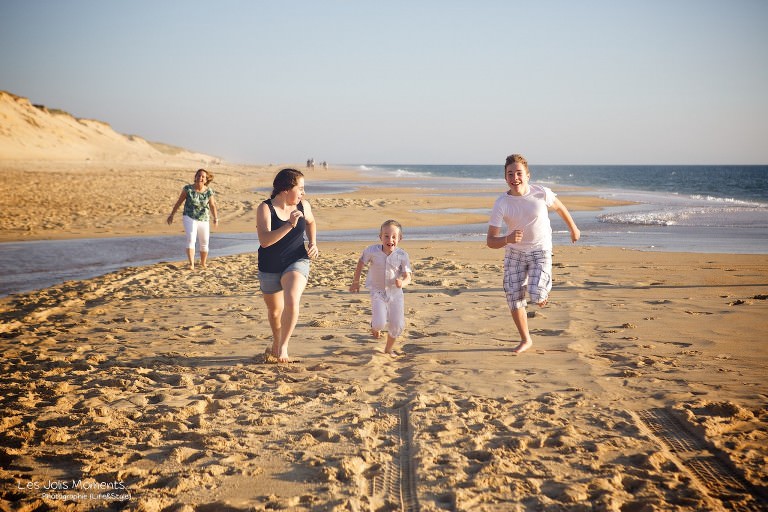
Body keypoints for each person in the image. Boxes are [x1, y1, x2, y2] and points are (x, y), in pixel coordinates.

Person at [486, 154, 580, 354]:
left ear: (527, 175)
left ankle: (540, 289)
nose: (515, 177)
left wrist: (573, 228)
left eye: (519, 173)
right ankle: (525, 339)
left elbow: (560, 207)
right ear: (505, 178)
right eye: (510, 174)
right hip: (514, 254)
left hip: (540, 249)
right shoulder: (501, 203)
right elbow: (490, 241)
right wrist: (507, 239)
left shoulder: (541, 193)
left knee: (537, 295)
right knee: (513, 295)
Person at [257, 168, 318, 363]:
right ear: (285, 189)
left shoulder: (303, 205)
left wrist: (313, 242)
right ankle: (277, 340)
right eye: (300, 188)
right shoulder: (265, 208)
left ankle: (283, 347)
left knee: (292, 299)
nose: (303, 193)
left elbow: (311, 222)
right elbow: (264, 241)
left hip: (297, 259)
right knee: (275, 312)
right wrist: (289, 225)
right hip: (270, 265)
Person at [350, 220, 412, 356]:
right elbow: (361, 262)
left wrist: (402, 282)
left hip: (396, 294)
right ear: (380, 237)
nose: (390, 239)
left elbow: (408, 276)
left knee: (397, 324)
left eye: (394, 236)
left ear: (400, 239)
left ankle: (388, 348)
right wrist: (356, 281)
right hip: (378, 292)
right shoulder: (372, 251)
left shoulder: (402, 255)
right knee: (379, 323)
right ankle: (375, 326)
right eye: (386, 236)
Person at [167, 168, 219, 270]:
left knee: (204, 241)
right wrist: (172, 214)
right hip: (189, 216)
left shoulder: (209, 191)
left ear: (206, 180)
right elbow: (179, 202)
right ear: (195, 177)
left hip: (203, 218)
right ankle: (191, 264)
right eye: (198, 175)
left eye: (203, 176)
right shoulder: (188, 189)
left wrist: (215, 218)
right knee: (191, 238)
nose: (200, 178)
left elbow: (212, 205)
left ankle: (203, 263)